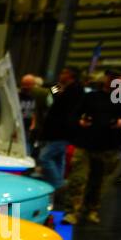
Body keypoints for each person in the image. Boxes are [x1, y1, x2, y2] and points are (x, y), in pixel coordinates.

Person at [65, 68, 121, 224]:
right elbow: (74, 115)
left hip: (108, 146)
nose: (113, 80)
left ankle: (91, 209)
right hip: (86, 143)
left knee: (99, 182)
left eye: (118, 78)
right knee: (78, 179)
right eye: (111, 77)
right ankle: (73, 211)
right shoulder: (91, 96)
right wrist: (80, 122)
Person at [37, 66, 81, 196]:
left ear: (70, 75)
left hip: (61, 131)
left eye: (63, 73)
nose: (60, 75)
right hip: (58, 131)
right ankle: (57, 184)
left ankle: (58, 185)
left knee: (45, 157)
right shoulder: (64, 89)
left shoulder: (75, 90)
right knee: (58, 158)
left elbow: (65, 111)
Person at [19, 74, 51, 155]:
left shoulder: (41, 94)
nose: (25, 87)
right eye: (23, 84)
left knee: (27, 147)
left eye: (27, 84)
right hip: (28, 125)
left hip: (29, 127)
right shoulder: (45, 92)